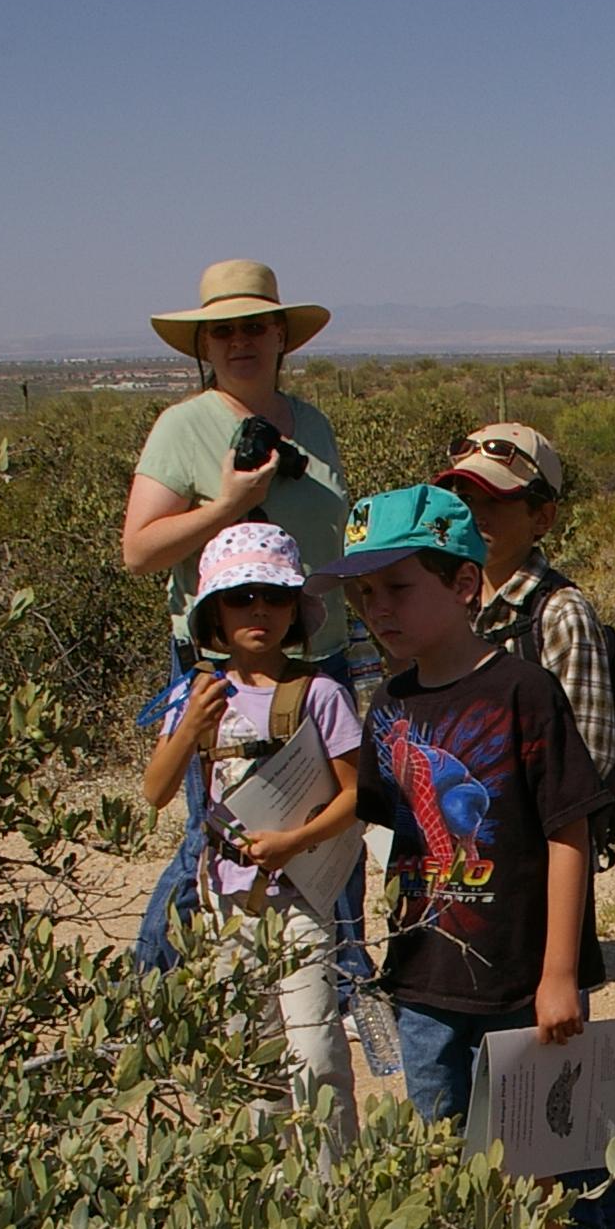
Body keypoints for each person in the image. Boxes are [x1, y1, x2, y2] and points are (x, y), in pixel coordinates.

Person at [328, 485, 610, 1229]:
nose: (378, 612)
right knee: (442, 1145)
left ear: (461, 583)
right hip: (422, 975)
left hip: (523, 976)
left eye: (396, 589)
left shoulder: (522, 691)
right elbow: (369, 819)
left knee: (539, 1148)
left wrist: (559, 972)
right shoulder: (388, 707)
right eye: (362, 597)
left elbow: (571, 830)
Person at [435, 420, 615, 1229]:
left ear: (542, 515)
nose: (475, 511)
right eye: (462, 496)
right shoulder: (447, 605)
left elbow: (585, 770)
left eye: (496, 499)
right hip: (465, 876)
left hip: (540, 875)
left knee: (559, 1062)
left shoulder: (559, 615)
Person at [122, 261, 363, 976]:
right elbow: (139, 549)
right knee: (222, 827)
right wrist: (227, 504)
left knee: (331, 824)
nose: (239, 342)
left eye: (254, 326)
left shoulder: (311, 424)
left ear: (280, 335)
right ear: (203, 347)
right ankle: (160, 975)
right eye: (221, 331)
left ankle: (333, 975)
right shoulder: (184, 427)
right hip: (228, 666)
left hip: (319, 653)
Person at [140, 523, 360, 1144]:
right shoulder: (195, 695)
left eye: (274, 595)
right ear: (214, 612)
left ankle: (334, 1191)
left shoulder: (319, 694)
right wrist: (188, 728)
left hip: (301, 904)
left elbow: (358, 794)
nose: (258, 610)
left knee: (316, 1054)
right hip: (226, 908)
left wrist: (293, 843)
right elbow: (156, 792)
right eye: (241, 598)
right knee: (249, 1059)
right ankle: (269, 1199)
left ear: (295, 609)